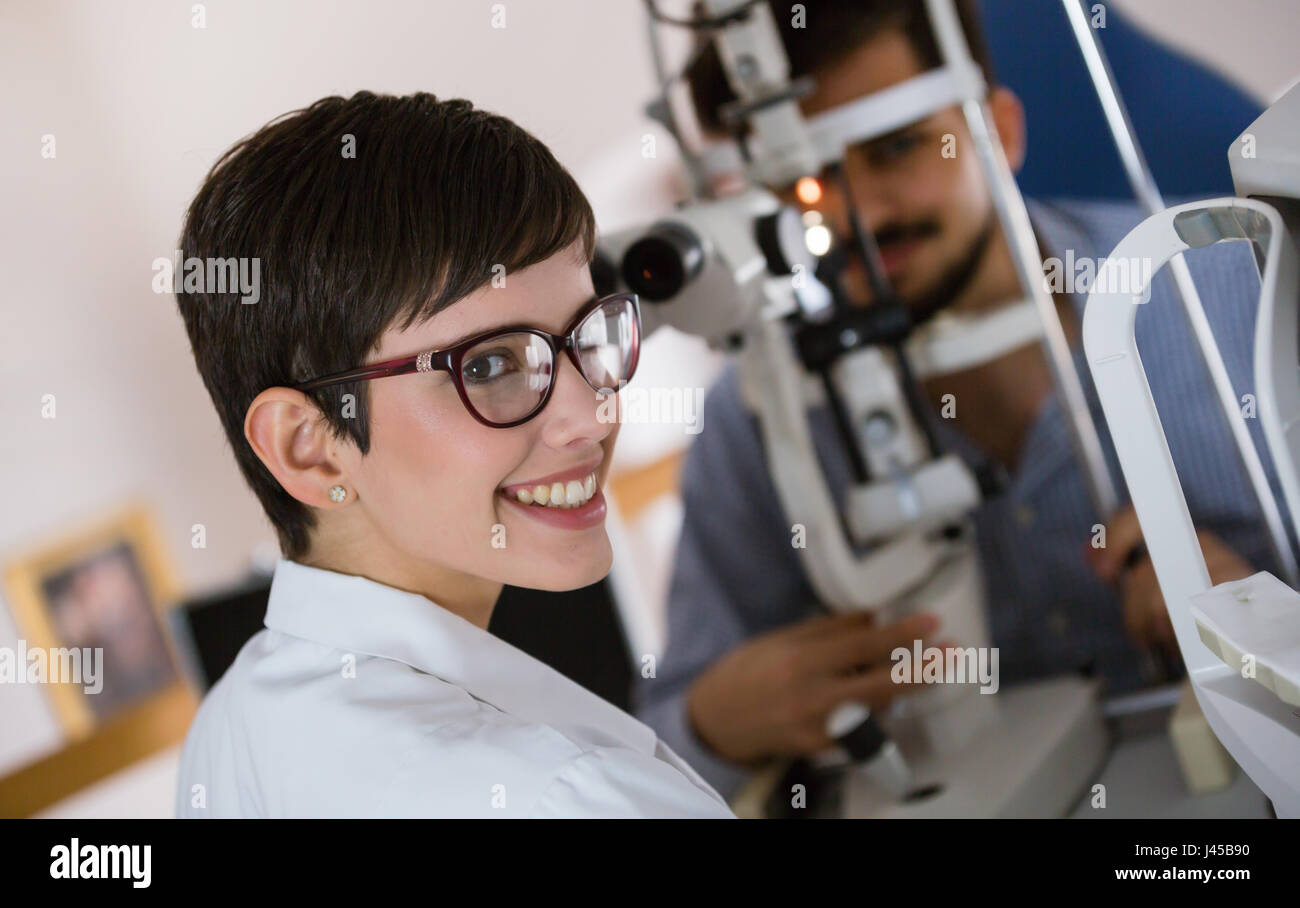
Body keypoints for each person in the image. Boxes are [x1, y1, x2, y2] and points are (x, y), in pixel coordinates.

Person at [634, 0, 1283, 802]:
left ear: (998, 130)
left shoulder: (1237, 297)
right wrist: (717, 717)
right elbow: (657, 743)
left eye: (897, 147)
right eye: (802, 182)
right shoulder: (755, 424)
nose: (858, 214)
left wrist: (1264, 617)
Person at [171, 91, 733, 818]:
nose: (591, 413)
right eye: (491, 366)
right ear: (309, 449)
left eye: (586, 335)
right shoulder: (572, 797)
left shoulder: (232, 725)